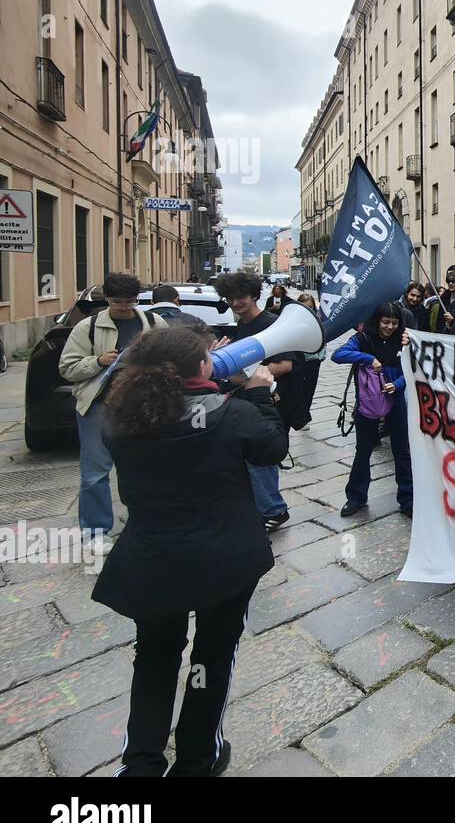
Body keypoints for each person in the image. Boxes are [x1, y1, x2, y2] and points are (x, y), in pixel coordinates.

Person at [94, 325, 286, 777]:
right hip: (222, 561)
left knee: (156, 657)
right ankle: (199, 759)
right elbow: (272, 448)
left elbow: (175, 417)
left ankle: (141, 764)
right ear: (202, 367)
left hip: (152, 559)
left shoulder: (121, 415)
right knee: (210, 659)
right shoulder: (231, 413)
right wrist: (258, 393)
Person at [59, 272, 165, 547]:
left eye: (131, 301)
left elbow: (174, 358)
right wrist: (98, 361)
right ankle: (95, 532)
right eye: (118, 301)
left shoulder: (153, 323)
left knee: (146, 468)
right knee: (95, 472)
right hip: (99, 407)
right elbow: (67, 368)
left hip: (143, 407)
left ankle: (145, 525)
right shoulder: (88, 327)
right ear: (107, 299)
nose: (125, 307)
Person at [214, 271, 300, 530]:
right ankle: (262, 506)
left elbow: (285, 365)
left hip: (265, 399)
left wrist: (248, 379)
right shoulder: (241, 326)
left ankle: (274, 509)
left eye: (240, 297)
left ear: (254, 295)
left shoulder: (272, 324)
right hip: (246, 398)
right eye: (230, 298)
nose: (235, 303)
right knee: (249, 454)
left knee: (259, 454)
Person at [332, 304, 414, 519]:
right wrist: (368, 358)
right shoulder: (362, 338)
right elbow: (338, 355)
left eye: (394, 323)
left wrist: (397, 384)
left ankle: (408, 499)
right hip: (368, 401)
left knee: (402, 450)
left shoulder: (404, 340)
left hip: (396, 399)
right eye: (385, 322)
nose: (389, 326)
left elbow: (413, 369)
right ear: (377, 320)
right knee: (363, 450)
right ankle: (356, 497)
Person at [296, 291, 327, 427]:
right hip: (298, 360)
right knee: (299, 389)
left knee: (309, 389)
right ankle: (299, 415)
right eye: (304, 307)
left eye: (310, 307)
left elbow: (323, 339)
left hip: (314, 360)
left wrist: (321, 356)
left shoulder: (318, 320)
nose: (308, 310)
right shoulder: (293, 322)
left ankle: (304, 415)